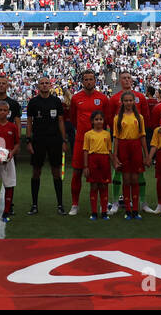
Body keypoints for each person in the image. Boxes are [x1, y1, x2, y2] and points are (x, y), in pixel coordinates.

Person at [67, 69, 110, 216]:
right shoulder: (76, 98)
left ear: (95, 80)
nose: (89, 82)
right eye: (86, 79)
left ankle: (102, 206)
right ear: (82, 81)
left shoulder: (103, 98)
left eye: (91, 79)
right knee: (77, 172)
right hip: (81, 140)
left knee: (101, 175)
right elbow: (73, 118)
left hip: (99, 141)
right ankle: (75, 204)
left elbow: (107, 119)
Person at [25, 75, 67, 215]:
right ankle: (35, 205)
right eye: (41, 83)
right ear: (38, 86)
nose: (44, 85)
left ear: (50, 85)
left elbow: (61, 121)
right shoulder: (33, 102)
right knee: (36, 171)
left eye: (46, 83)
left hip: (54, 140)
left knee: (56, 172)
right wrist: (28, 140)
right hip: (38, 140)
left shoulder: (56, 101)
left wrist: (64, 140)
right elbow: (29, 122)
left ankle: (60, 204)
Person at [112, 89, 147, 219]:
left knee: (135, 179)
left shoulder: (139, 117)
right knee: (126, 180)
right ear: (122, 102)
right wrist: (115, 156)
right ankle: (128, 210)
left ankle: (136, 210)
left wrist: (146, 154)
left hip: (136, 147)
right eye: (126, 100)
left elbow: (143, 136)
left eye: (130, 100)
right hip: (123, 147)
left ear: (134, 102)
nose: (128, 102)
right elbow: (116, 138)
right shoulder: (118, 118)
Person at [82, 111, 112, 220]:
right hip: (92, 161)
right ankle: (94, 212)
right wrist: (85, 166)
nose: (99, 121)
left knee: (104, 186)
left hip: (104, 161)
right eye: (96, 119)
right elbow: (85, 150)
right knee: (94, 185)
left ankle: (104, 211)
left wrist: (114, 162)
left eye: (101, 119)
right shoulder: (88, 134)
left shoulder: (107, 134)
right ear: (92, 121)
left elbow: (109, 151)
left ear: (104, 121)